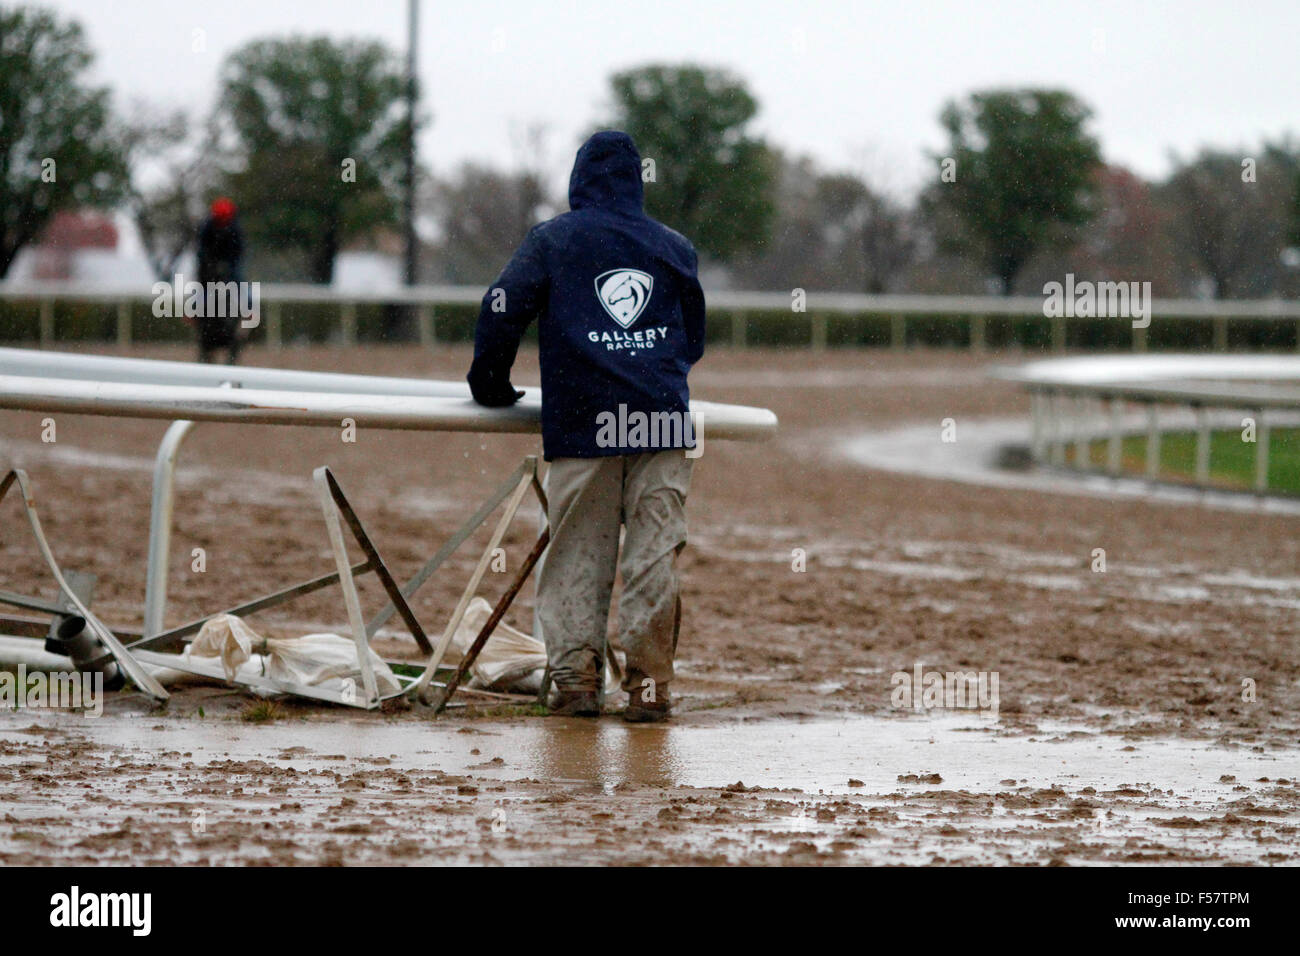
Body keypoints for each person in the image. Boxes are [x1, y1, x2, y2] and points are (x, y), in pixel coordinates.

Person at [467, 130, 707, 722]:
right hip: (660, 424)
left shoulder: (552, 240)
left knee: (578, 553)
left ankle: (575, 681)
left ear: (579, 181)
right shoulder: (674, 246)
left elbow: (502, 306)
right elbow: (693, 338)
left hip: (585, 422)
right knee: (652, 558)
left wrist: (490, 384)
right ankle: (649, 688)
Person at [194, 197, 245, 364]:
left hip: (229, 265)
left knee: (239, 282)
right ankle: (193, 311)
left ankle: (248, 310)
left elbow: (238, 252)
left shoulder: (235, 228)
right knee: (201, 288)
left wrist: (227, 266)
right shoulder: (207, 227)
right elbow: (201, 249)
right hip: (209, 266)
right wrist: (210, 263)